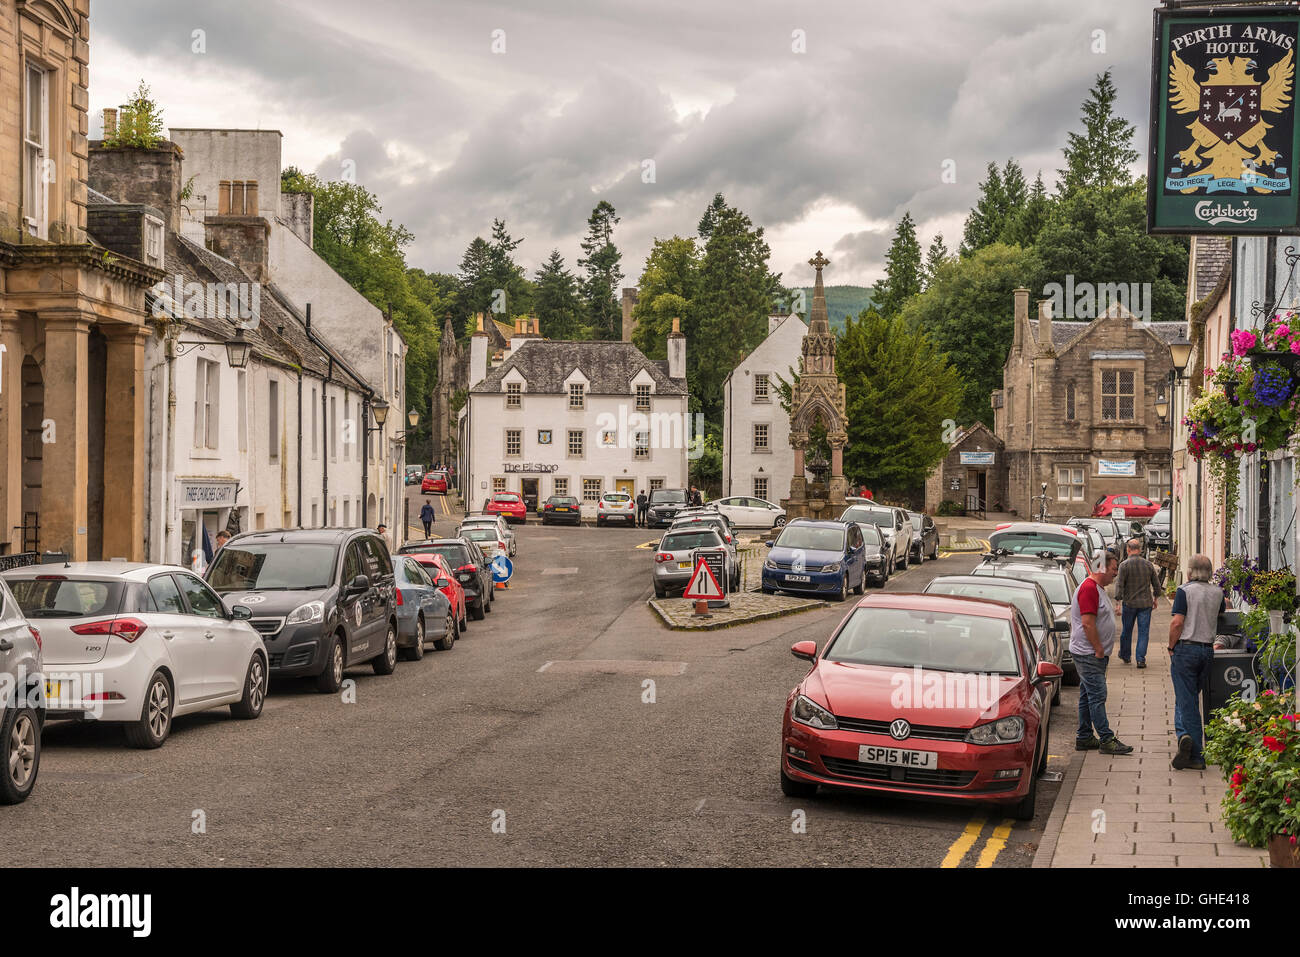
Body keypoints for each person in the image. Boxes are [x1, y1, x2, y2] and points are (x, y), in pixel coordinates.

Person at [1070, 549, 1133, 755]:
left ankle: (1085, 736)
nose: (1116, 573)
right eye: (1114, 569)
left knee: (1087, 695)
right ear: (1102, 567)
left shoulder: (1097, 588)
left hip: (1092, 652)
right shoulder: (1089, 588)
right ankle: (1107, 739)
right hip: (1089, 652)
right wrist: (1098, 649)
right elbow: (1088, 624)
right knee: (1098, 695)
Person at [1168, 554, 1226, 771]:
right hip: (1206, 652)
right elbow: (1221, 611)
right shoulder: (1218, 592)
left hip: (1186, 649)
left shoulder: (1184, 591)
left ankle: (1196, 756)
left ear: (1190, 571)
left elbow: (1177, 622)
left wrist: (1171, 646)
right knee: (1186, 697)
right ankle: (1183, 735)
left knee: (1189, 703)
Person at [1116, 537, 1161, 668]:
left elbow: (1119, 585)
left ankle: (1125, 655)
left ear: (1128, 550)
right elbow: (1156, 584)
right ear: (1140, 550)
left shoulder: (1123, 565)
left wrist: (1118, 602)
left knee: (1127, 630)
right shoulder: (1148, 564)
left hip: (1129, 603)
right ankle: (1140, 659)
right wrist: (1156, 598)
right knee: (1143, 632)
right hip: (1145, 604)